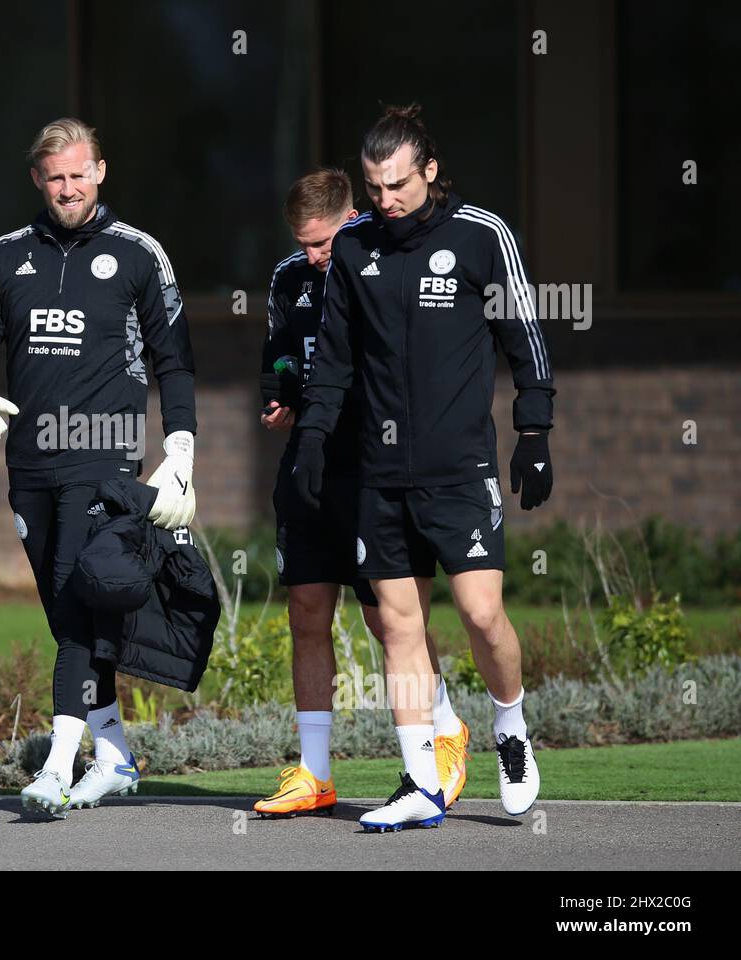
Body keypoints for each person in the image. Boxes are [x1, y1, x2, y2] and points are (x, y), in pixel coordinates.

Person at [297, 104, 554, 831]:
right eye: (375, 188)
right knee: (400, 625)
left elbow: (524, 336)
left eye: (399, 185)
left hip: (459, 469)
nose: (386, 201)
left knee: (480, 613)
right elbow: (336, 362)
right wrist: (315, 441)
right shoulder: (354, 251)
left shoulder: (482, 236)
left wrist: (533, 430)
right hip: (382, 473)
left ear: (430, 171)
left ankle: (509, 727)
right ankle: (420, 781)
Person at [0, 117, 198, 818]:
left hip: (106, 458)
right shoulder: (4, 257)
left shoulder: (140, 255)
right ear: (38, 180)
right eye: (55, 176)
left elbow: (174, 361)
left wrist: (180, 453)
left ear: (101, 172)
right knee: (68, 619)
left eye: (79, 173)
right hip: (30, 468)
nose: (68, 187)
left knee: (79, 598)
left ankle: (56, 768)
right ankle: (115, 755)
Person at [254, 167, 470, 819]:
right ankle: (315, 774)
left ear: (353, 220)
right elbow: (283, 354)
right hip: (312, 464)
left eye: (323, 242)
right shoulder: (289, 278)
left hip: (381, 463)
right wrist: (282, 392)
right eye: (305, 243)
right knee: (307, 610)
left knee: (389, 617)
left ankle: (445, 733)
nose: (314, 256)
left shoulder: (386, 270)